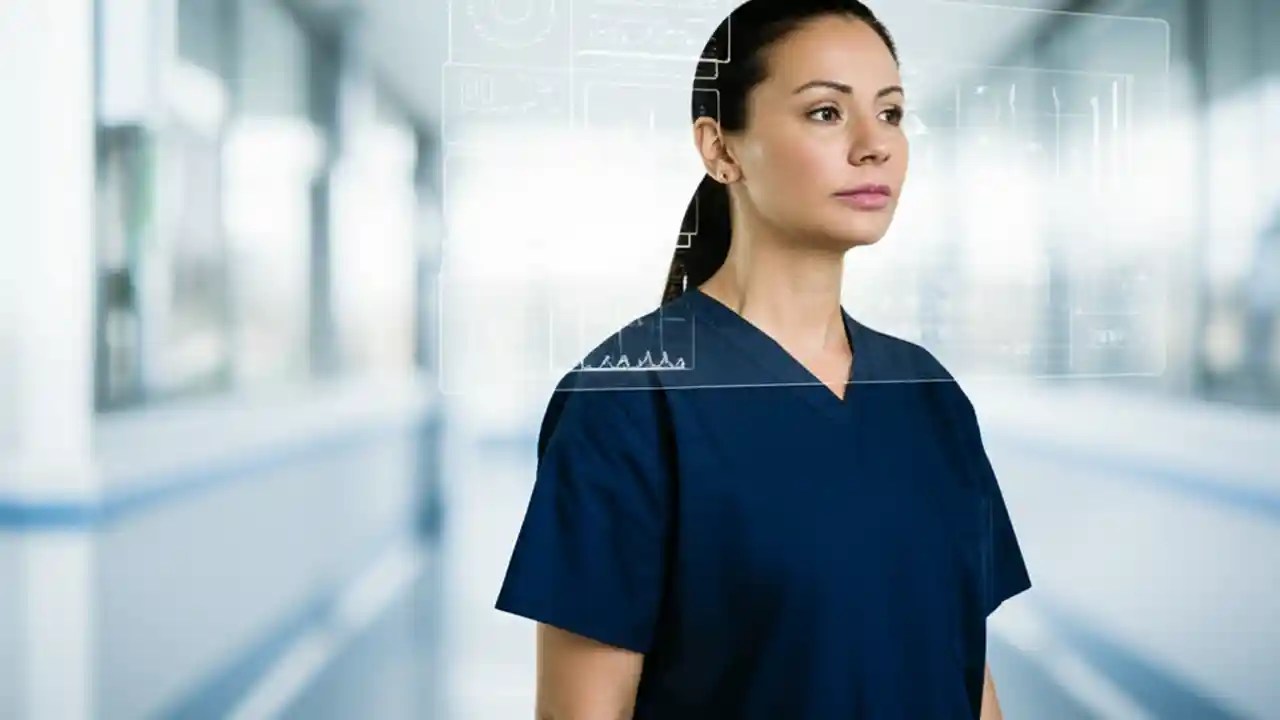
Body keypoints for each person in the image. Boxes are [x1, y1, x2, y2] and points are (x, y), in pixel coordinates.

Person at [495, 1, 1032, 717]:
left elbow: (970, 680)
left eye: (893, 113)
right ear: (721, 149)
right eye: (825, 113)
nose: (875, 145)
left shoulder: (929, 396)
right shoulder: (630, 400)